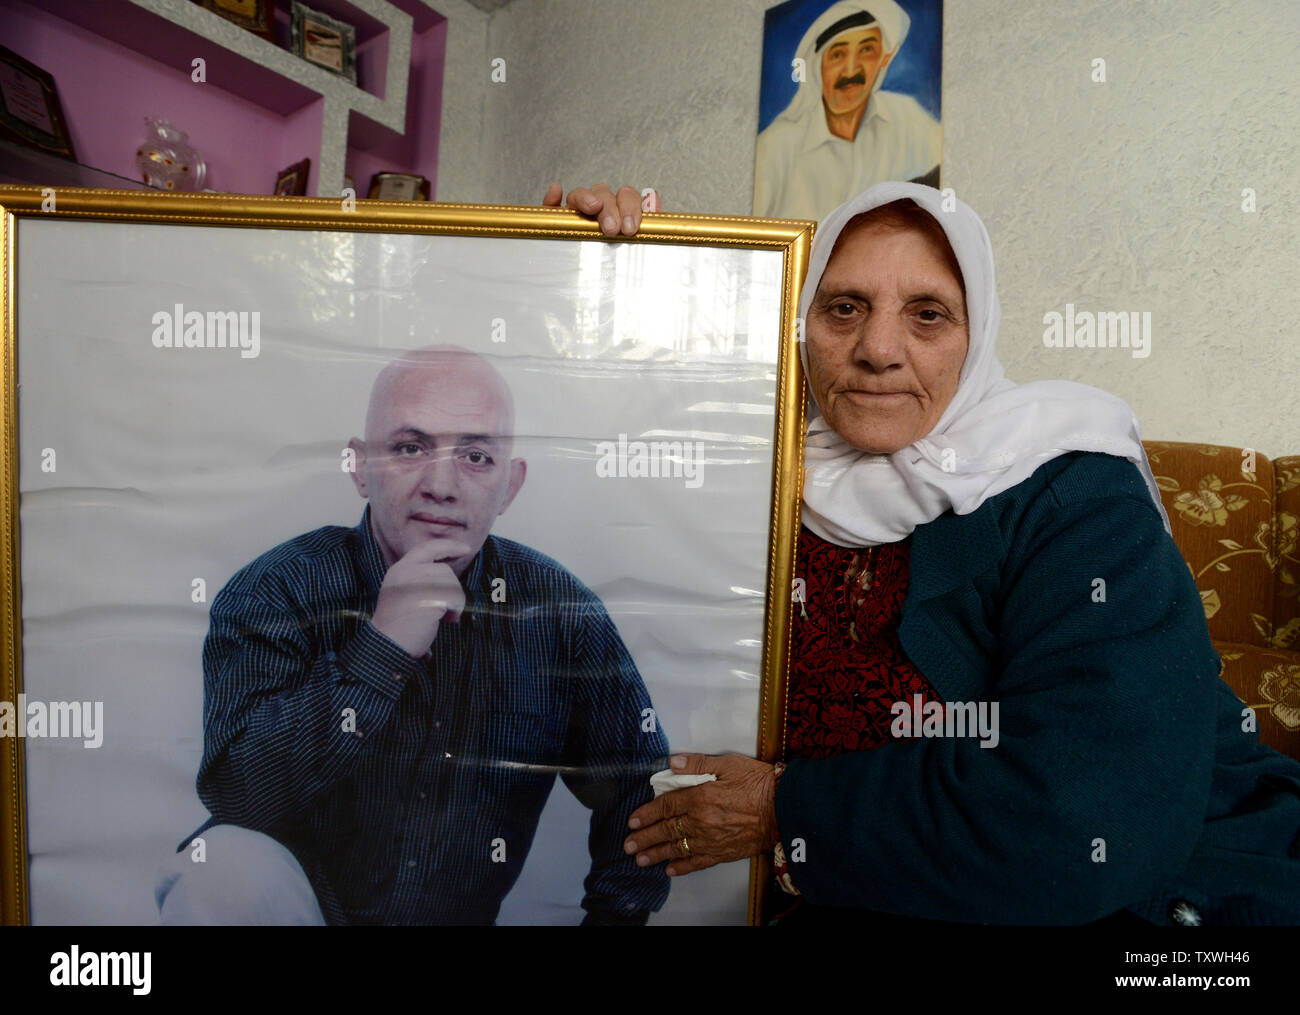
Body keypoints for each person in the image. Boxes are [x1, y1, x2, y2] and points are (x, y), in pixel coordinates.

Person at [548, 180, 1300, 925]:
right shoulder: (763, 473)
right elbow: (586, 472)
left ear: (977, 338)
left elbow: (1079, 813)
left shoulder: (1071, 488)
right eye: (844, 308)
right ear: (799, 321)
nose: (878, 350)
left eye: (928, 315)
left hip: (1167, 900)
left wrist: (784, 813)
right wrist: (567, 266)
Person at [155, 345, 669, 926]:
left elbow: (642, 789)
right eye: (409, 447)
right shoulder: (276, 591)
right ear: (359, 466)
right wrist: (382, 648)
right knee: (226, 868)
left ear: (511, 485)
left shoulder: (558, 613)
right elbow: (234, 797)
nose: (441, 485)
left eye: (476, 456)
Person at [754, 0, 942, 221]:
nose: (851, 69)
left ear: (884, 58)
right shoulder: (776, 148)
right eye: (837, 54)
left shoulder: (909, 119)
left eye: (867, 50)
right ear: (817, 65)